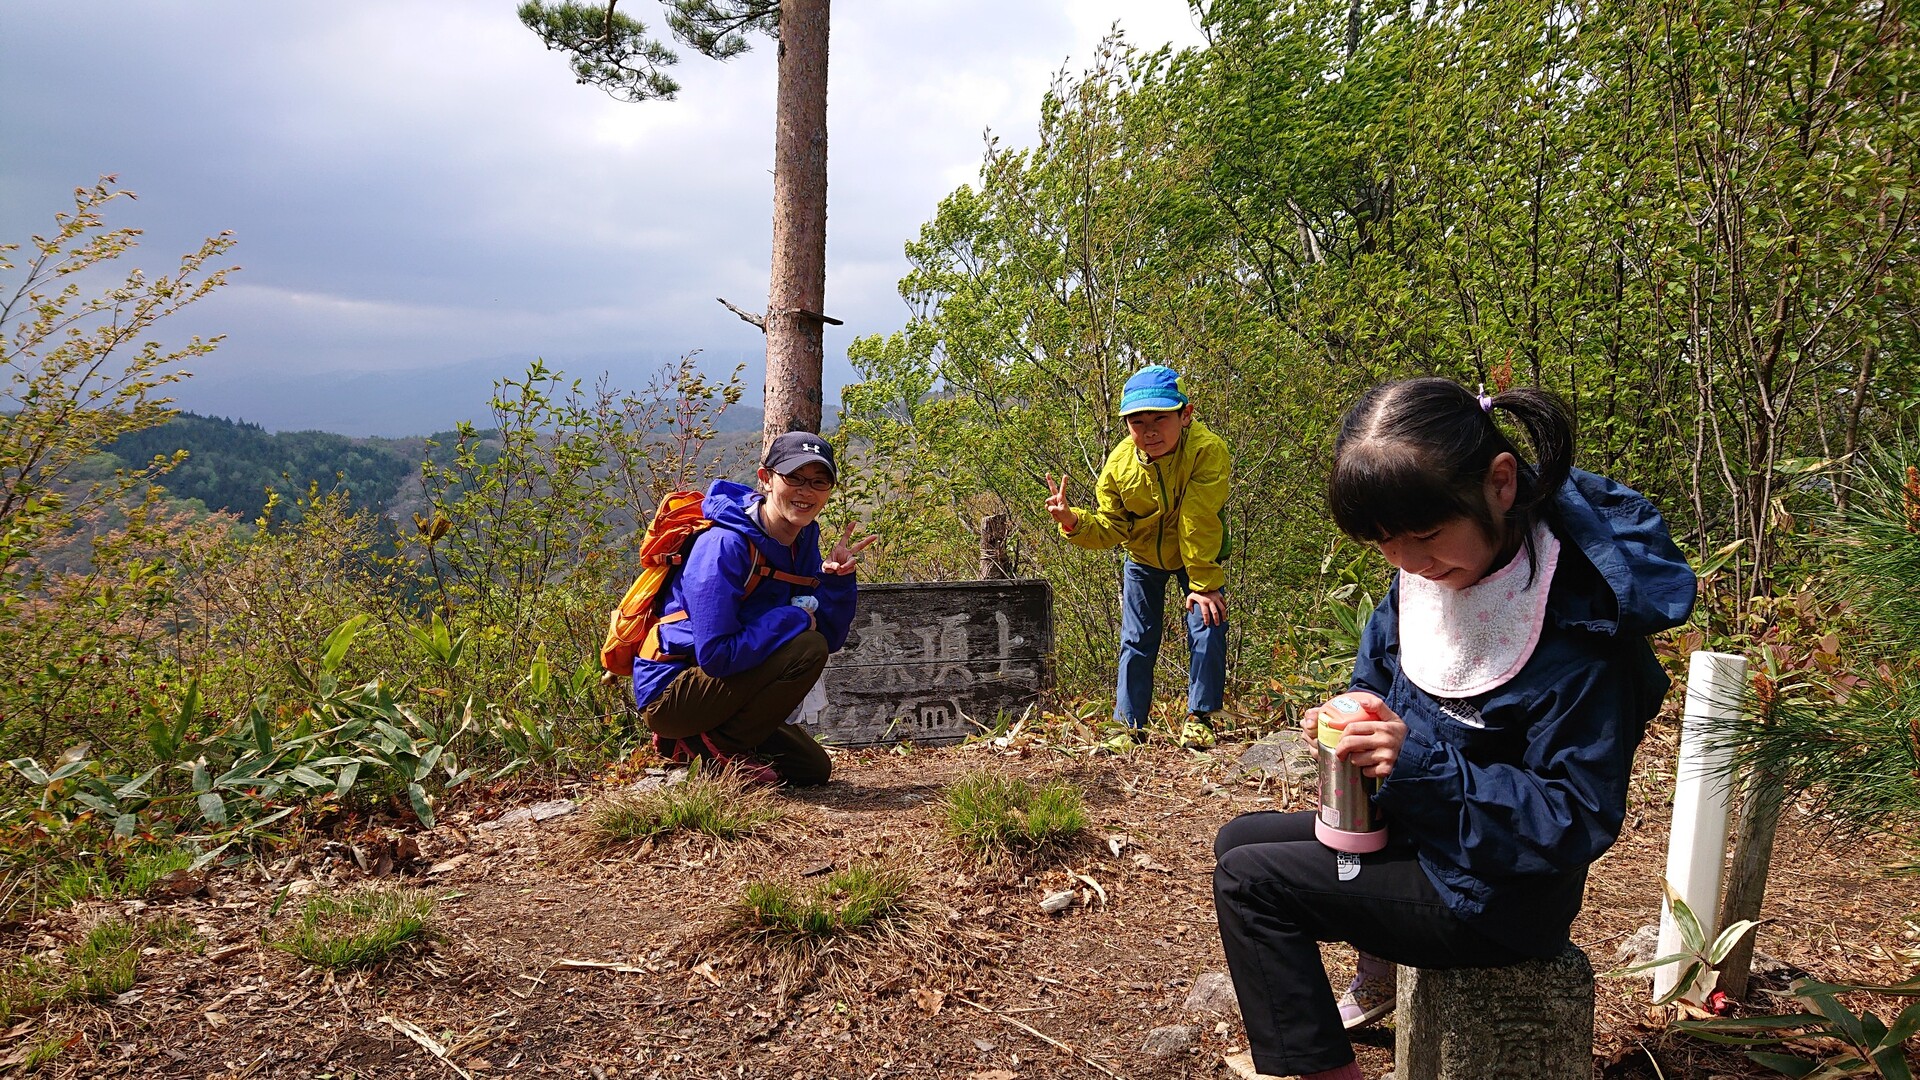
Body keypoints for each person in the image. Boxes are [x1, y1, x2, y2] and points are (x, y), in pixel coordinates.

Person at [1213, 378, 1696, 1080]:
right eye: (1384, 543)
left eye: (1424, 537)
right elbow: (1380, 673)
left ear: (1500, 484)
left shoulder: (1579, 630)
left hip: (1495, 898)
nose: (1407, 562)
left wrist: (1413, 766)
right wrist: (1356, 714)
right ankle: (1375, 974)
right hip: (1429, 837)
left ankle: (1323, 1072)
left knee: (1252, 884)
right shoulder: (1434, 568)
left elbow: (1574, 816)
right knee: (1238, 842)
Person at [630, 432, 875, 787]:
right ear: (765, 479)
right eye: (794, 478)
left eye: (819, 481)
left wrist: (836, 581)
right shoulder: (723, 545)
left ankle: (697, 744)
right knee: (806, 647)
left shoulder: (802, 539)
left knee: (812, 769)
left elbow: (830, 636)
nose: (806, 491)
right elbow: (716, 656)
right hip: (673, 692)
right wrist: (793, 618)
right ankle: (715, 748)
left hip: (728, 686)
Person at [1044, 364, 1232, 750]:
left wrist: (1203, 584)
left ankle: (1199, 718)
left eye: (1160, 419)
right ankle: (1129, 728)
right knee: (1136, 638)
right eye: (1137, 422)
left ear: (1186, 414)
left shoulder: (1206, 451)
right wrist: (1072, 521)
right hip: (1144, 557)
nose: (1149, 431)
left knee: (1208, 622)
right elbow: (1111, 528)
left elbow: (1198, 520)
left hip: (1196, 555)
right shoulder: (1119, 466)